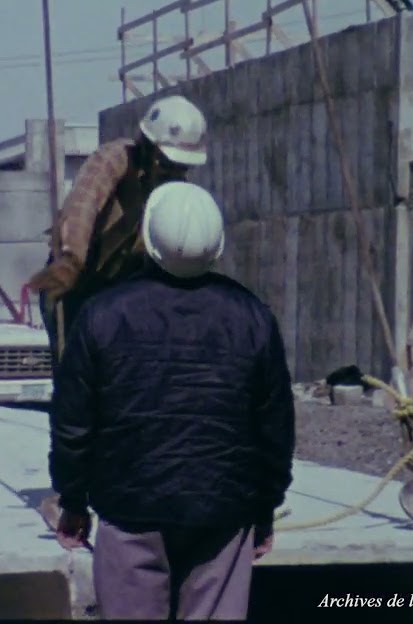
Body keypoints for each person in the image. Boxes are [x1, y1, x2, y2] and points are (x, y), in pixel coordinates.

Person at [47, 181, 296, 621]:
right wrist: (264, 508)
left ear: (149, 238)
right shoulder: (253, 317)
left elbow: (73, 424)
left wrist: (72, 500)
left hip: (129, 511)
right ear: (217, 244)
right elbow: (275, 429)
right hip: (224, 512)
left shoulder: (102, 315)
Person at [27, 94, 209, 368]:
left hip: (117, 292)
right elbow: (82, 206)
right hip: (73, 283)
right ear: (148, 148)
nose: (172, 172)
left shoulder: (174, 193)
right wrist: (71, 261)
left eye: (180, 167)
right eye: (166, 163)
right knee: (74, 372)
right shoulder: (115, 158)